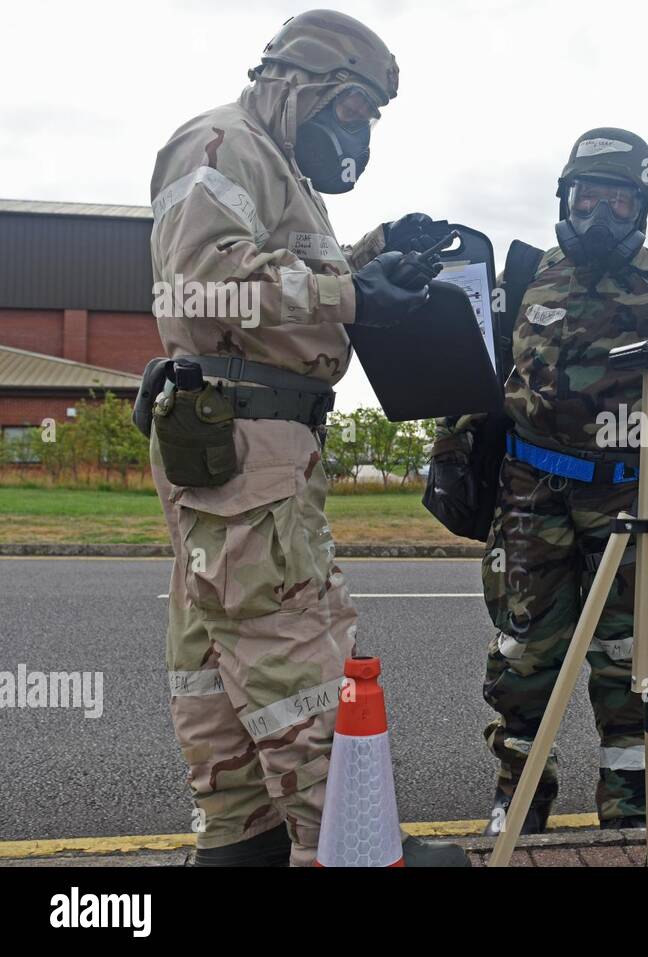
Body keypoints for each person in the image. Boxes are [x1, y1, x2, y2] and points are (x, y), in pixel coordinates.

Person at [147, 8, 464, 866]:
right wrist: (356, 295)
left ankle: (237, 838)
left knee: (218, 649)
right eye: (353, 111)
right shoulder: (224, 144)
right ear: (301, 86)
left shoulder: (277, 165)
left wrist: (375, 253)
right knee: (295, 644)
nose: (356, 133)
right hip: (251, 438)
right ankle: (352, 842)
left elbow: (283, 278)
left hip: (252, 433)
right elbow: (204, 286)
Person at [433, 128, 648, 834]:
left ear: (644, 210)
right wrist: (450, 450)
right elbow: (476, 372)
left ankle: (628, 806)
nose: (600, 216)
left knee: (628, 657)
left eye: (619, 204)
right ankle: (521, 795)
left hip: (632, 495)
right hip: (531, 494)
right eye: (587, 198)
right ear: (564, 199)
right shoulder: (526, 280)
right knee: (522, 651)